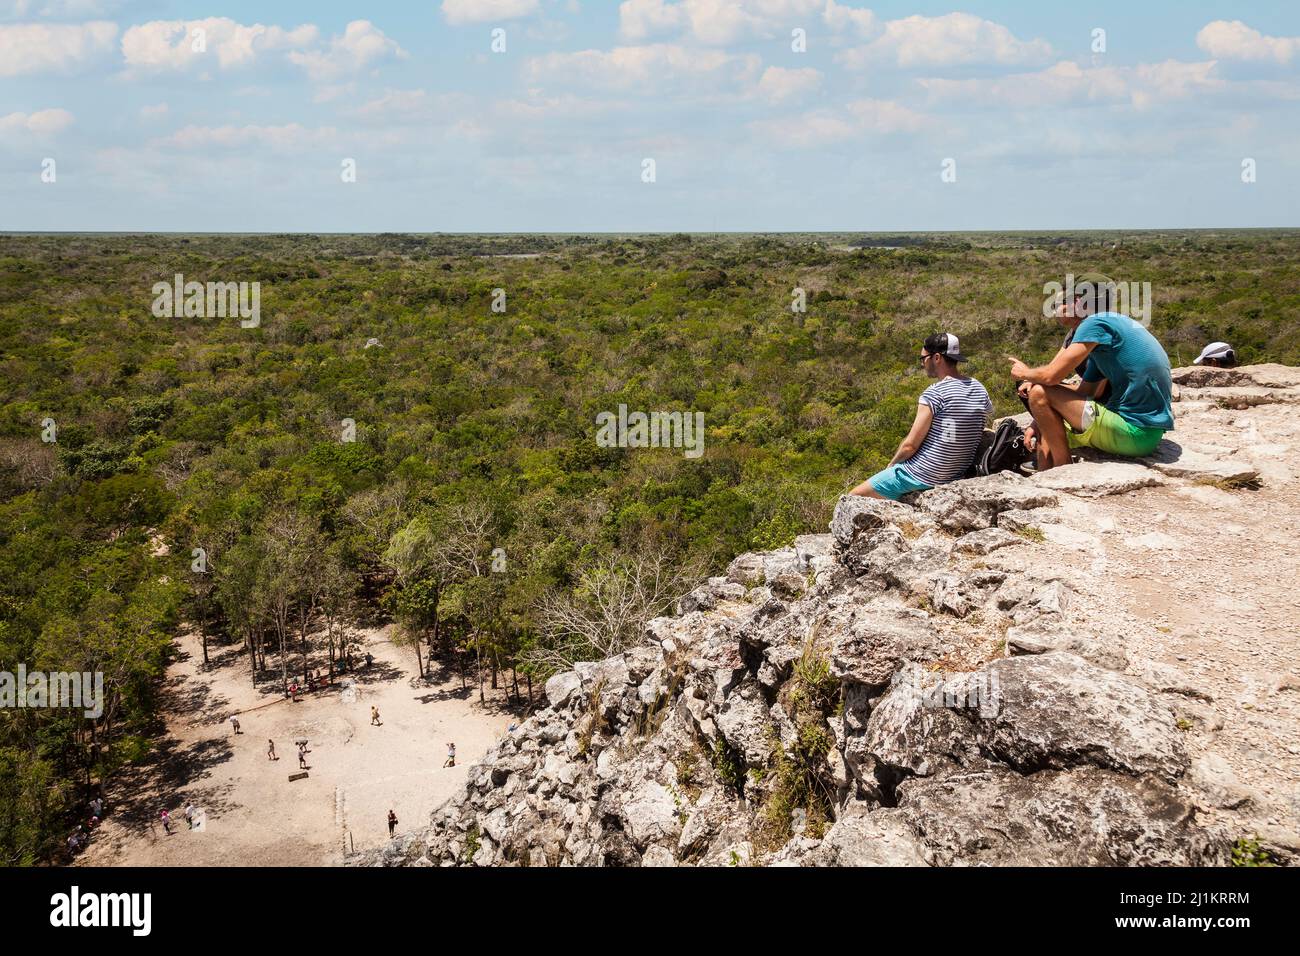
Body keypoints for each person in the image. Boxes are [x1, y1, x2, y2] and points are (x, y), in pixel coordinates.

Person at [1011, 275, 1173, 470]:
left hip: (1133, 431)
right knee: (1046, 424)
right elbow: (1084, 392)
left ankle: (1062, 470)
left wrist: (1025, 373)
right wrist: (1038, 422)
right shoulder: (1112, 327)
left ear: (1079, 302)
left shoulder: (1094, 324)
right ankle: (1045, 472)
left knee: (1038, 392)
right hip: (1147, 434)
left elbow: (1051, 377)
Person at [849, 333, 992, 501]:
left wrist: (891, 465)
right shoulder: (978, 388)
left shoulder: (935, 393)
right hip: (955, 473)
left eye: (923, 358)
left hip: (923, 474)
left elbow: (910, 446)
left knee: (853, 497)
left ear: (937, 357)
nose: (922, 363)